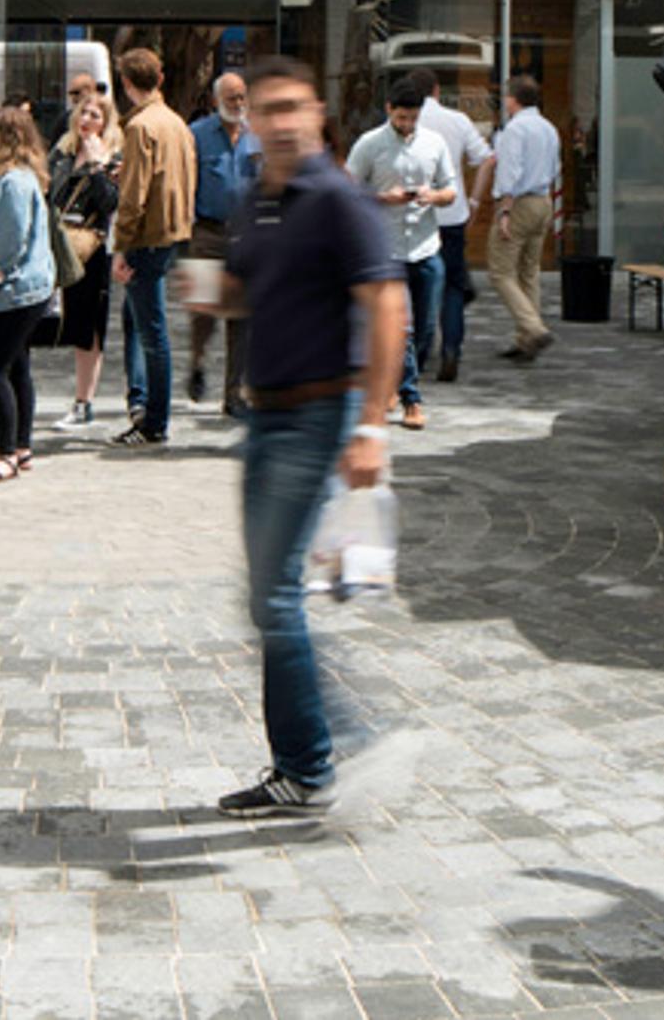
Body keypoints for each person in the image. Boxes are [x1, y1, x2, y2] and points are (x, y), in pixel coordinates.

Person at [217, 57, 403, 816]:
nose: (283, 121)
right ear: (250, 119)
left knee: (276, 595)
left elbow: (388, 306)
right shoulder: (258, 199)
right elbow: (243, 289)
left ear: (318, 112)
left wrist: (371, 425)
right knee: (269, 594)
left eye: (294, 106)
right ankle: (326, 749)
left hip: (317, 416)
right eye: (268, 109)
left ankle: (324, 756)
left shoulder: (336, 198)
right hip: (265, 415)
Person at [344, 86, 456, 431]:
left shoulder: (434, 143)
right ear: (388, 108)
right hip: (385, 249)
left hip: (425, 245)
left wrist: (432, 196)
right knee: (403, 329)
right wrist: (382, 198)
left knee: (423, 330)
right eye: (401, 117)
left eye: (413, 118)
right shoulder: (370, 144)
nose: (407, 123)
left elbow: (451, 191)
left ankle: (395, 381)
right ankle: (412, 398)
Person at [110, 47, 198, 448]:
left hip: (146, 237)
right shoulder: (177, 123)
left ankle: (154, 421)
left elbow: (134, 197)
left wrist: (121, 247)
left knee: (151, 333)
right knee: (146, 327)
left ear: (127, 84)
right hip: (170, 232)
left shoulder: (140, 126)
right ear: (158, 79)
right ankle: (147, 411)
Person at [0, 104, 57, 484]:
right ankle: (20, 446)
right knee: (17, 365)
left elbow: (8, 242)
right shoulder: (20, 178)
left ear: (8, 138)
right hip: (27, 288)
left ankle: (6, 451)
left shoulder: (12, 183)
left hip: (15, 290)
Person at [408, 66, 491, 384]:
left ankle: (419, 353)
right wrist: (474, 201)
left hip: (417, 215)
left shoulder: (406, 121)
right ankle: (452, 349)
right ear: (437, 91)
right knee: (454, 287)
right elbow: (487, 158)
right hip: (453, 215)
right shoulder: (458, 121)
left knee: (418, 285)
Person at [47, 81, 121, 431]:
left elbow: (110, 203)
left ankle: (83, 402)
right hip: (57, 242)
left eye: (96, 114)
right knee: (47, 318)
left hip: (91, 248)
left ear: (107, 122)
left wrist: (95, 167)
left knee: (89, 326)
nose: (88, 118)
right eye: (84, 111)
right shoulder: (61, 151)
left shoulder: (112, 156)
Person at [187, 72, 257, 417]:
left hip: (245, 235)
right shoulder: (198, 135)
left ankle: (234, 394)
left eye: (243, 97)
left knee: (240, 316)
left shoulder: (255, 137)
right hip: (207, 232)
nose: (239, 104)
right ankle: (198, 362)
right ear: (216, 101)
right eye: (232, 98)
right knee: (203, 311)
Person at [482, 73, 562, 363]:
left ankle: (533, 327)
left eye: (505, 96)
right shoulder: (548, 128)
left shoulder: (515, 129)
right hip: (543, 200)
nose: (504, 101)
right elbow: (555, 168)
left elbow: (509, 172)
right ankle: (526, 339)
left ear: (513, 99)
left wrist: (504, 209)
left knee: (501, 272)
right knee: (529, 272)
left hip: (519, 204)